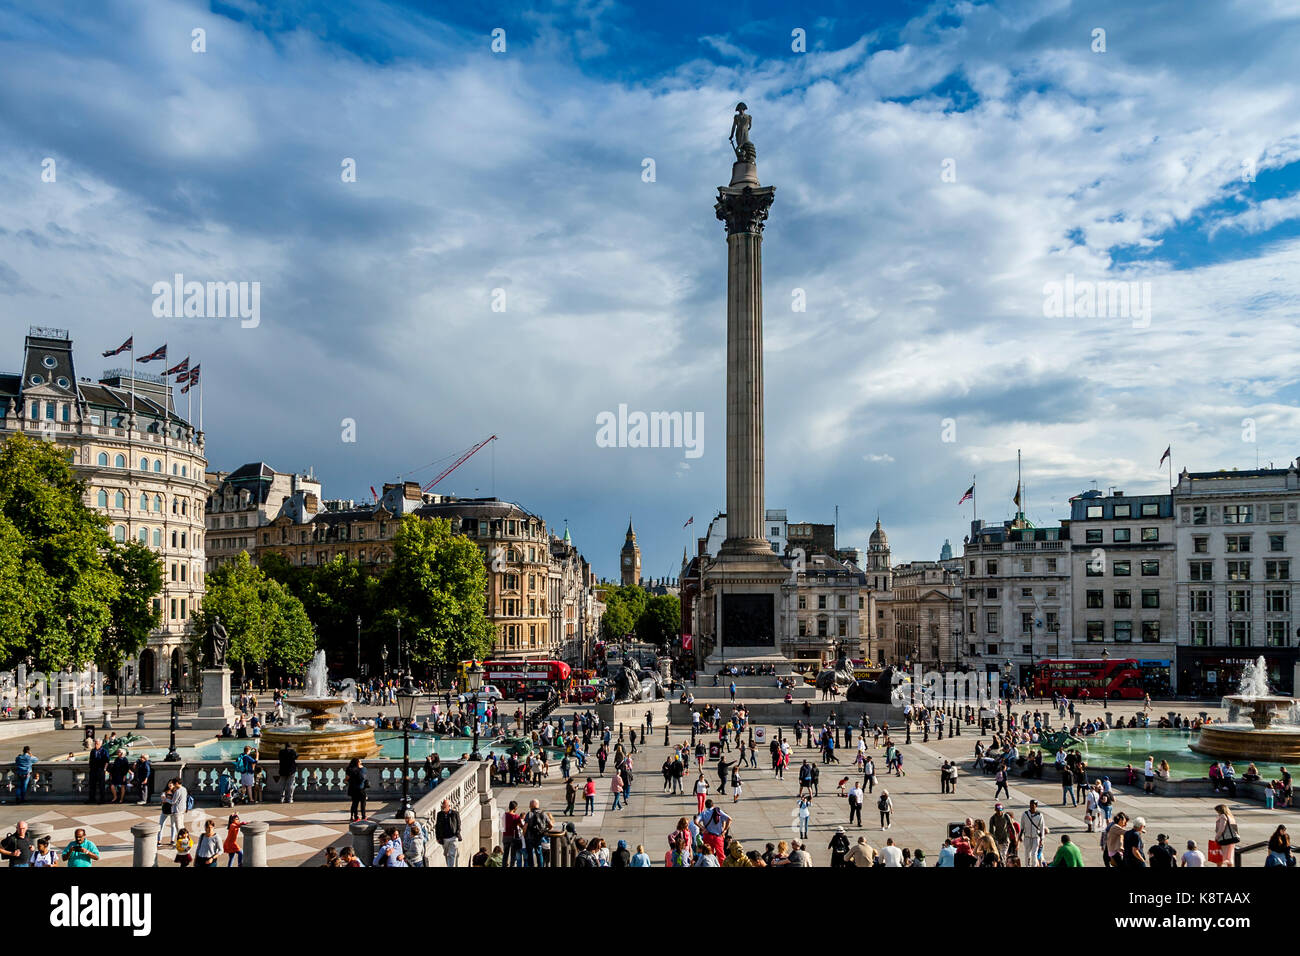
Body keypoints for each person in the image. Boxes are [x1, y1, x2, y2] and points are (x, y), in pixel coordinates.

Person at [435, 798, 462, 867]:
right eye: (442, 806)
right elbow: (437, 826)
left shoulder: (455, 813)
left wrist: (457, 833)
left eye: (444, 806)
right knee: (446, 854)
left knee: (451, 854)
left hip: (453, 837)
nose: (443, 807)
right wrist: (438, 837)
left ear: (449, 806)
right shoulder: (440, 814)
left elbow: (459, 824)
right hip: (444, 838)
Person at [1021, 799, 1047, 866]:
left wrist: (1042, 839)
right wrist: (1020, 836)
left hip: (1036, 837)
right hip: (1027, 836)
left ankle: (1034, 865)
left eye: (1033, 805)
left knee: (1034, 853)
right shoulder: (1025, 814)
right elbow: (1022, 827)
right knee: (1027, 853)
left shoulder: (1039, 815)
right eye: (1030, 805)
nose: (1031, 806)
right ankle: (1027, 865)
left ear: (1036, 806)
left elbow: (1042, 827)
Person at [346, 757, 369, 822]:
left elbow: (347, 778)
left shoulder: (349, 769)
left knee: (355, 803)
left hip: (353, 788)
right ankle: (364, 816)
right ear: (358, 762)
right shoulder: (363, 769)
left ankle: (355, 817)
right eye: (360, 761)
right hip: (362, 789)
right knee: (363, 804)